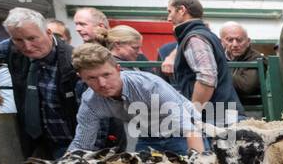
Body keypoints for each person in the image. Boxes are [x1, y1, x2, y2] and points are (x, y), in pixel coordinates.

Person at [67, 42, 203, 155]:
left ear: (118, 69)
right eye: (92, 78)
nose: (102, 83)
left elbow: (189, 129)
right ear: (81, 77)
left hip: (184, 132)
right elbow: (82, 144)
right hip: (148, 135)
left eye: (107, 74)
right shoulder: (91, 101)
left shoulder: (149, 86)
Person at [0, 7, 79, 158]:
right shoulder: (11, 47)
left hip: (73, 143)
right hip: (38, 145)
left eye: (32, 38)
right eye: (18, 40)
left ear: (48, 33)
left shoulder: (73, 60)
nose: (27, 46)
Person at [164, 0, 239, 126]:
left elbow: (206, 79)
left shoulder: (195, 38)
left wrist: (192, 115)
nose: (168, 18)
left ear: (181, 10)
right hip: (220, 116)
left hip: (215, 120)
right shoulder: (203, 35)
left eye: (170, 12)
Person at [219, 21, 264, 108]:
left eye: (239, 40)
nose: (235, 44)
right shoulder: (217, 57)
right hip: (221, 105)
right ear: (222, 42)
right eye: (230, 40)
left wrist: (220, 72)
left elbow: (246, 86)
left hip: (248, 108)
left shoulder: (256, 58)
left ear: (248, 42)